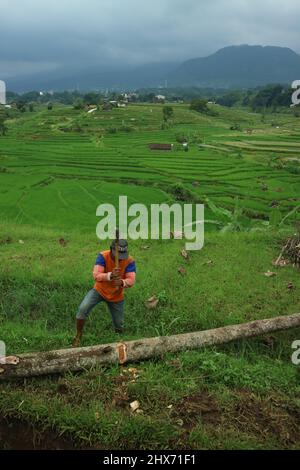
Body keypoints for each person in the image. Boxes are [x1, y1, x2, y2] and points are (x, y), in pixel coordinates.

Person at [72, 238, 136, 347]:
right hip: (99, 290)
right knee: (83, 309)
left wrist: (121, 282)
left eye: (122, 256)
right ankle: (78, 335)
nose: (120, 259)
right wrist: (110, 275)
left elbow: (131, 280)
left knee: (119, 324)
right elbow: (96, 275)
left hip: (116, 296)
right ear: (111, 250)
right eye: (117, 255)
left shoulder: (130, 260)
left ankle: (119, 341)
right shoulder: (103, 256)